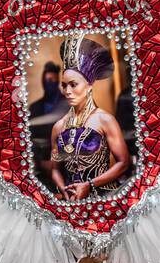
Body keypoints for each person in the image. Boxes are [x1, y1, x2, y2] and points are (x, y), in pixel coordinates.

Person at [49, 36, 131, 200]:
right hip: (72, 201)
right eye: (64, 85)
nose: (68, 91)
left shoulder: (105, 120)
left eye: (73, 84)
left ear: (89, 85)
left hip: (103, 198)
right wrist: (63, 189)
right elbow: (55, 168)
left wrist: (90, 185)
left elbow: (124, 162)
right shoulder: (58, 126)